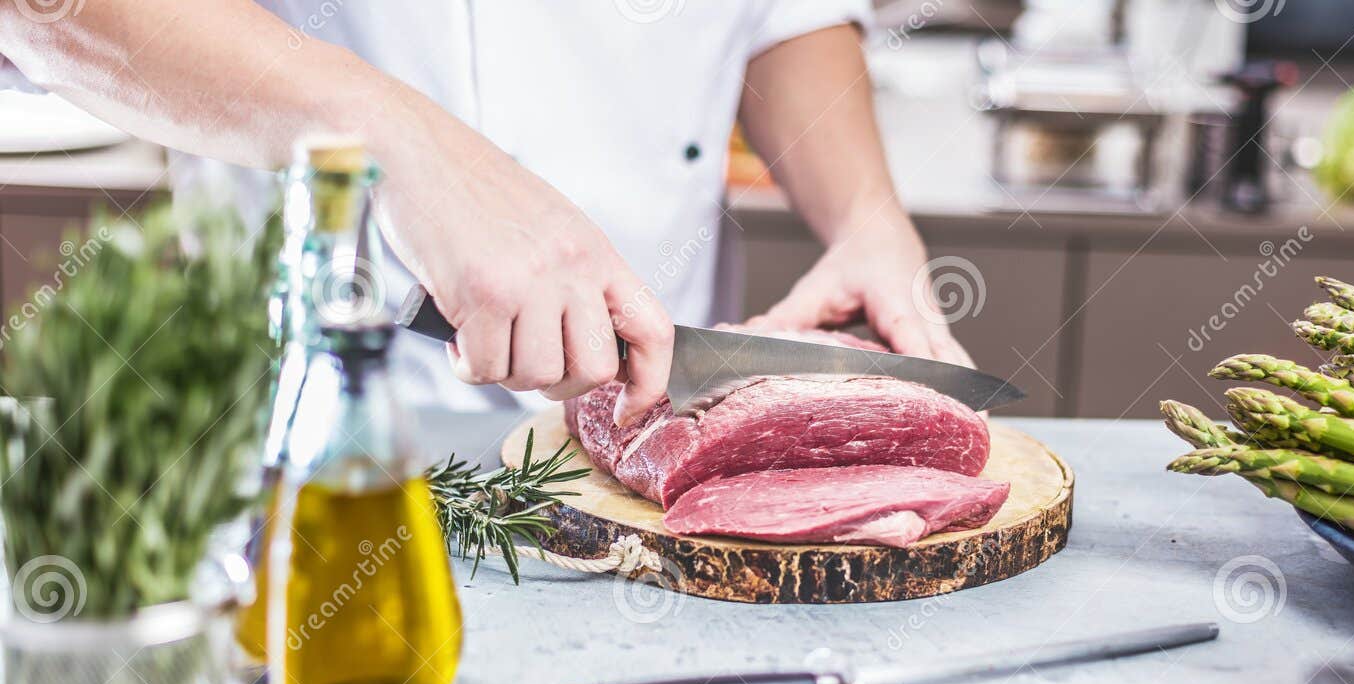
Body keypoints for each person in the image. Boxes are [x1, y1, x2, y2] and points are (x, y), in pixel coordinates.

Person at [0, 1, 972, 423]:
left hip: (644, 435)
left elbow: (778, 15)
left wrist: (865, 217)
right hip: (311, 421)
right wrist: (384, 130)